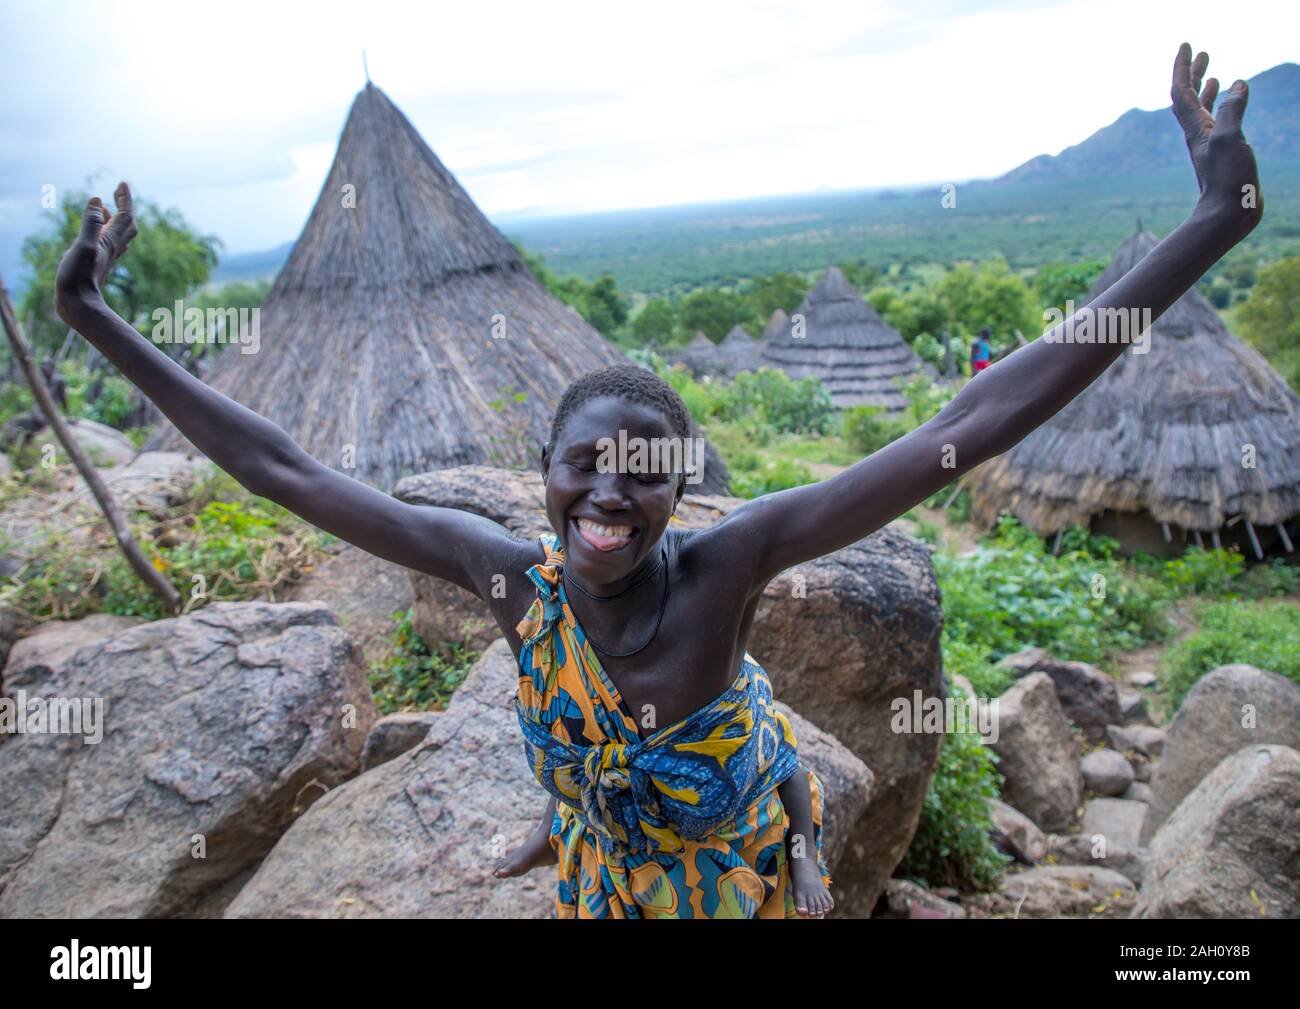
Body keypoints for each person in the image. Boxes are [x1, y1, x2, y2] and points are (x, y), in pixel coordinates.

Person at [51, 45, 1261, 919]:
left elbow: (981, 410)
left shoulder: (730, 566)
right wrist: (90, 315)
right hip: (603, 861)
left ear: (680, 492)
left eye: (642, 473)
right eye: (586, 467)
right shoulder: (508, 580)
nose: (609, 496)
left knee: (756, 773)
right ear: (546, 476)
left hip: (718, 862)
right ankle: (575, 809)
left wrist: (1214, 219)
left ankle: (786, 823)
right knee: (603, 789)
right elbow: (278, 463)